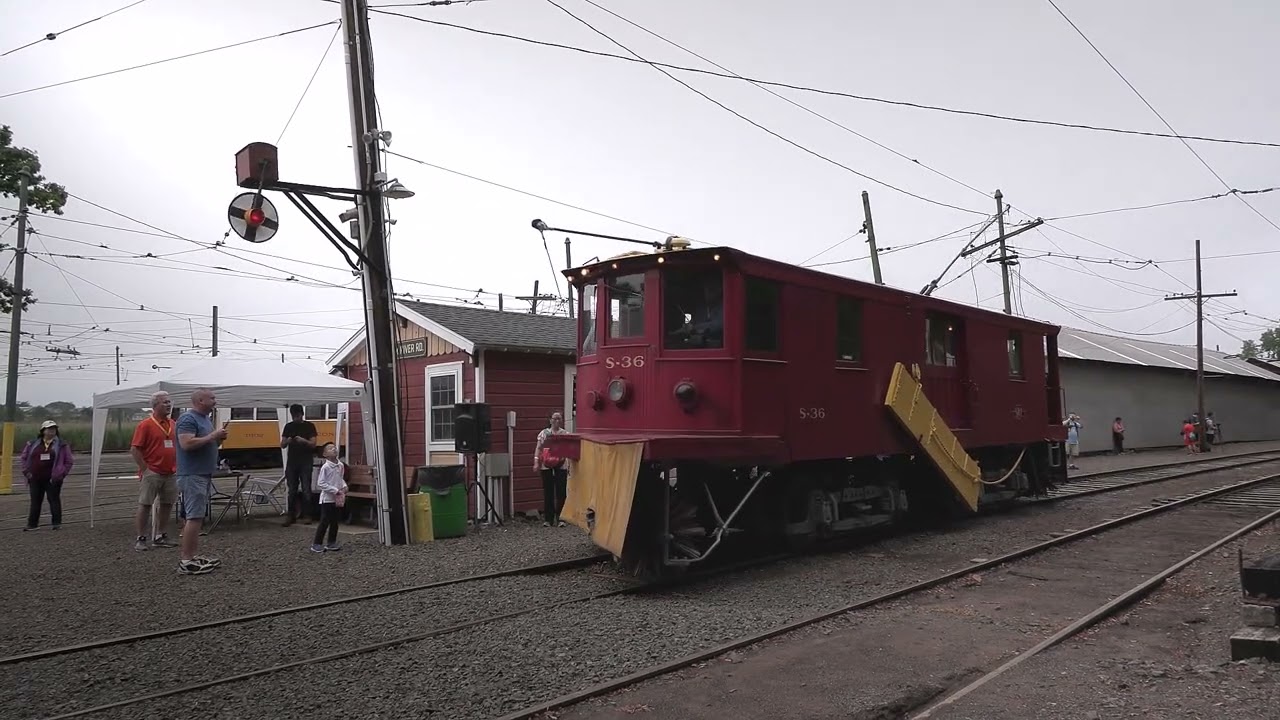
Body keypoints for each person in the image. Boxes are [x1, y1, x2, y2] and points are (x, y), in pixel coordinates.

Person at [175, 388, 227, 575]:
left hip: (203, 473)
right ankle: (186, 561)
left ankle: (192, 556)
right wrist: (213, 436)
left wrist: (217, 441)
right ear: (200, 400)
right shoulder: (188, 419)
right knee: (194, 517)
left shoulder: (205, 420)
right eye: (212, 398)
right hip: (192, 474)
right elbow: (186, 444)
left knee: (198, 516)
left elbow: (206, 443)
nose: (215, 401)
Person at [130, 391, 179, 551]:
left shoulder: (173, 424)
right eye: (165, 402)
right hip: (152, 472)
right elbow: (135, 449)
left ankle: (160, 535)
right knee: (145, 504)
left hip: (170, 472)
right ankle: (141, 538)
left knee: (167, 504)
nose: (168, 405)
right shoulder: (145, 425)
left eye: (169, 402)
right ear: (155, 405)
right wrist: (145, 469)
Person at [20, 420, 73, 531]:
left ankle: (56, 523)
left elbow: (69, 461)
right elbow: (24, 457)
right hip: (34, 477)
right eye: (49, 429)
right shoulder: (32, 443)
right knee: (35, 501)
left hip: (52, 478)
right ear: (43, 430)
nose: (51, 431)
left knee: (53, 500)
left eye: (54, 429)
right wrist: (26, 471)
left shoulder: (62, 445)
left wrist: (62, 473)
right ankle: (32, 524)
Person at [281, 404, 318, 527]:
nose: (296, 418)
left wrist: (304, 441)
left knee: (306, 489)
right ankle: (291, 515)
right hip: (292, 462)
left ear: (302, 414)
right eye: (294, 416)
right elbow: (282, 444)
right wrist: (288, 441)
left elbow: (313, 444)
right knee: (292, 490)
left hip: (305, 461)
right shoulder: (288, 426)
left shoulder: (309, 426)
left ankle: (307, 514)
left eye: (297, 415)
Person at [532, 412, 569, 527]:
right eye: (555, 418)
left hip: (561, 464)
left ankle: (561, 518)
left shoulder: (565, 434)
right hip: (546, 464)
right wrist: (536, 462)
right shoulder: (543, 434)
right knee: (548, 492)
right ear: (550, 420)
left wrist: (570, 464)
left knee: (561, 491)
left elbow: (569, 449)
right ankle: (548, 519)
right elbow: (538, 448)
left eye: (559, 418)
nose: (557, 421)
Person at [311, 442, 347, 553]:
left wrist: (344, 486)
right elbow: (321, 483)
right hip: (327, 499)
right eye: (330, 449)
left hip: (337, 498)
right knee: (324, 521)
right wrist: (335, 490)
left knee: (335, 522)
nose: (334, 449)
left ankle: (331, 542)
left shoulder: (340, 465)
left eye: (334, 448)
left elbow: (340, 478)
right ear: (325, 454)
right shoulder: (326, 467)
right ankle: (316, 543)